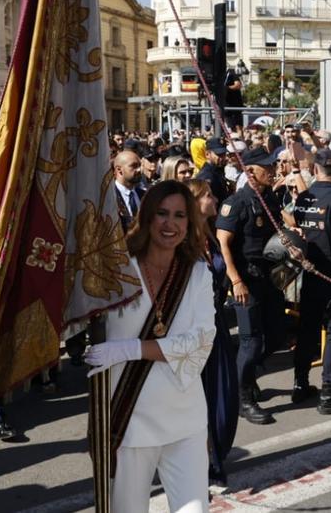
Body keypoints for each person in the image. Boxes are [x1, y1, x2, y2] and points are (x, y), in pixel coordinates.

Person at [84, 180, 216, 512]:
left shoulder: (198, 274)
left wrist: (132, 349)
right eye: (162, 213)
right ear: (146, 217)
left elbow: (201, 342)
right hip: (129, 417)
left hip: (185, 417)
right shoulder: (116, 271)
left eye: (180, 215)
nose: (170, 223)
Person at [216, 146, 285, 425]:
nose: (272, 171)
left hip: (268, 277)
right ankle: (243, 399)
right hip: (245, 278)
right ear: (251, 172)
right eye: (266, 167)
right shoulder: (237, 202)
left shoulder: (270, 198)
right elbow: (223, 243)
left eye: (272, 166)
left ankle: (244, 372)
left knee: (276, 336)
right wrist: (236, 280)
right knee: (251, 340)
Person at [291, 149, 331, 413]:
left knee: (307, 329)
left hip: (310, 271)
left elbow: (298, 221)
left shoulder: (304, 197)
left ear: (315, 169)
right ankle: (328, 392)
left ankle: (300, 383)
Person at [187, 179, 238, 484]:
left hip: (216, 325)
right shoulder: (183, 243)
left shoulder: (210, 236)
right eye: (208, 195)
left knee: (223, 398)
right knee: (200, 402)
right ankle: (204, 464)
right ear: (195, 203)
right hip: (193, 330)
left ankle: (214, 455)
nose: (215, 198)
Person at [113, 150, 147, 231]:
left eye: (139, 166)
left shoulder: (145, 195)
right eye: (134, 166)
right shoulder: (109, 196)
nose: (139, 170)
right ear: (119, 169)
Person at [195, 138, 231, 203]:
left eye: (224, 154)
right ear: (207, 154)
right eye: (219, 155)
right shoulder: (206, 176)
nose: (223, 158)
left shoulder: (218, 170)